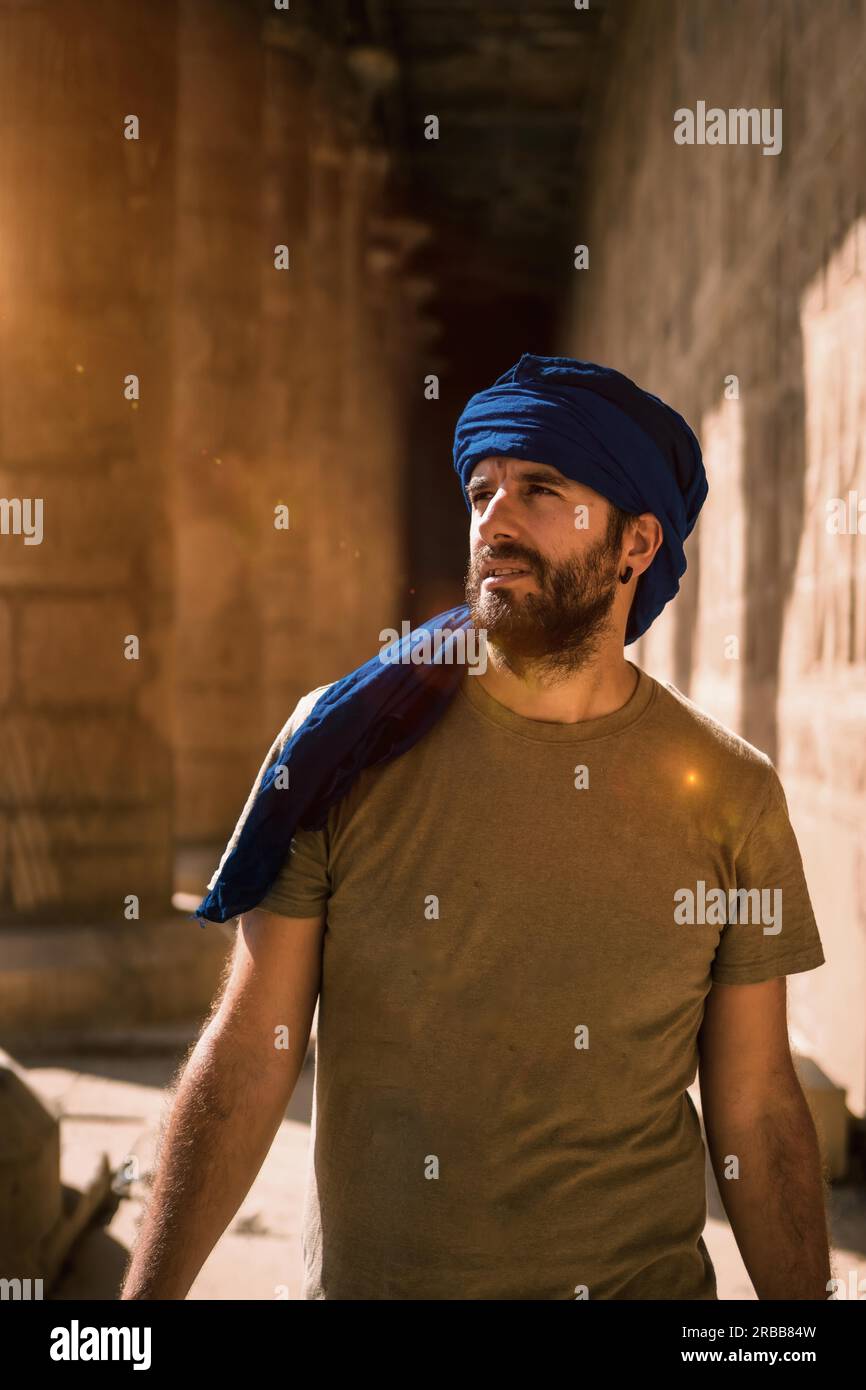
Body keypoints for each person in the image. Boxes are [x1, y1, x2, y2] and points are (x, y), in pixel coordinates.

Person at [121, 354, 829, 1300]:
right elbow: (252, 1051)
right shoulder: (341, 750)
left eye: (541, 489)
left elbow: (757, 1101)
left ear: (636, 543)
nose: (495, 516)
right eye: (482, 489)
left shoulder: (734, 795)